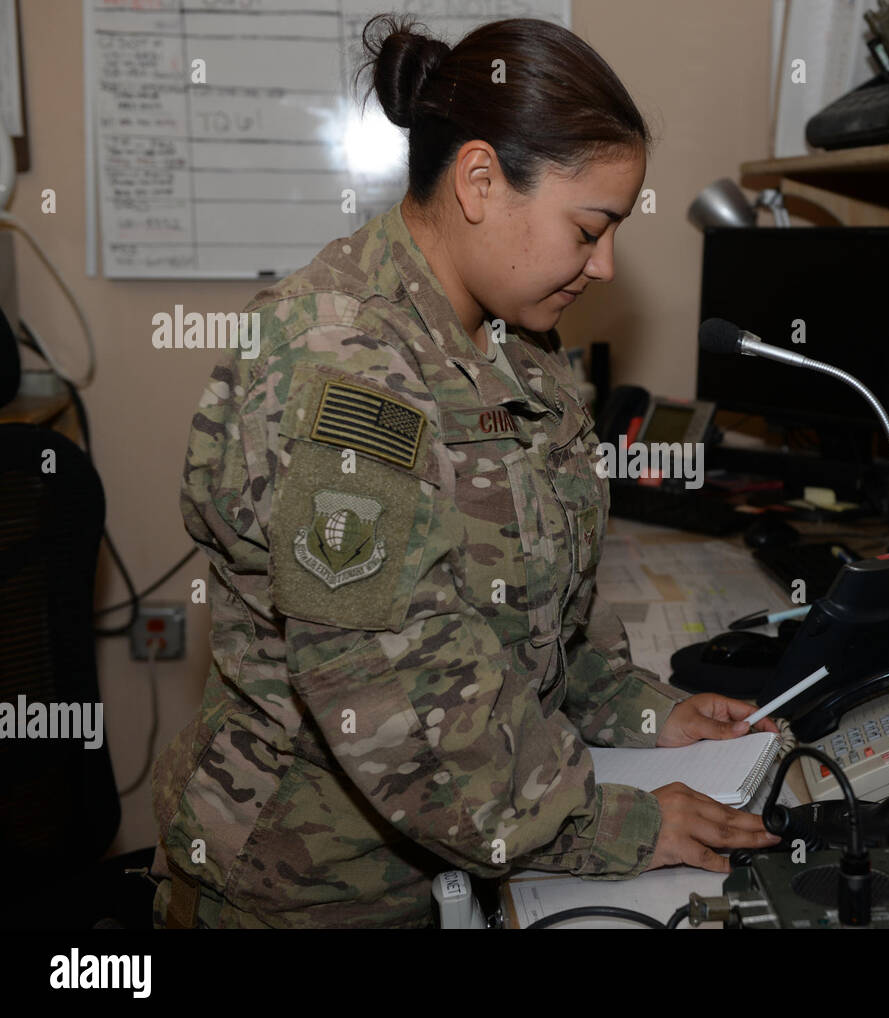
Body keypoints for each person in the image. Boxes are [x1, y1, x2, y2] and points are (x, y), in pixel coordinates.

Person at [149, 14, 781, 930]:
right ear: (480, 181)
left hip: (462, 869)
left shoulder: (511, 343)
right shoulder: (342, 365)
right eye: (589, 228)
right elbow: (390, 689)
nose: (605, 265)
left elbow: (533, 623)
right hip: (314, 893)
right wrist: (620, 826)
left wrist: (649, 715)